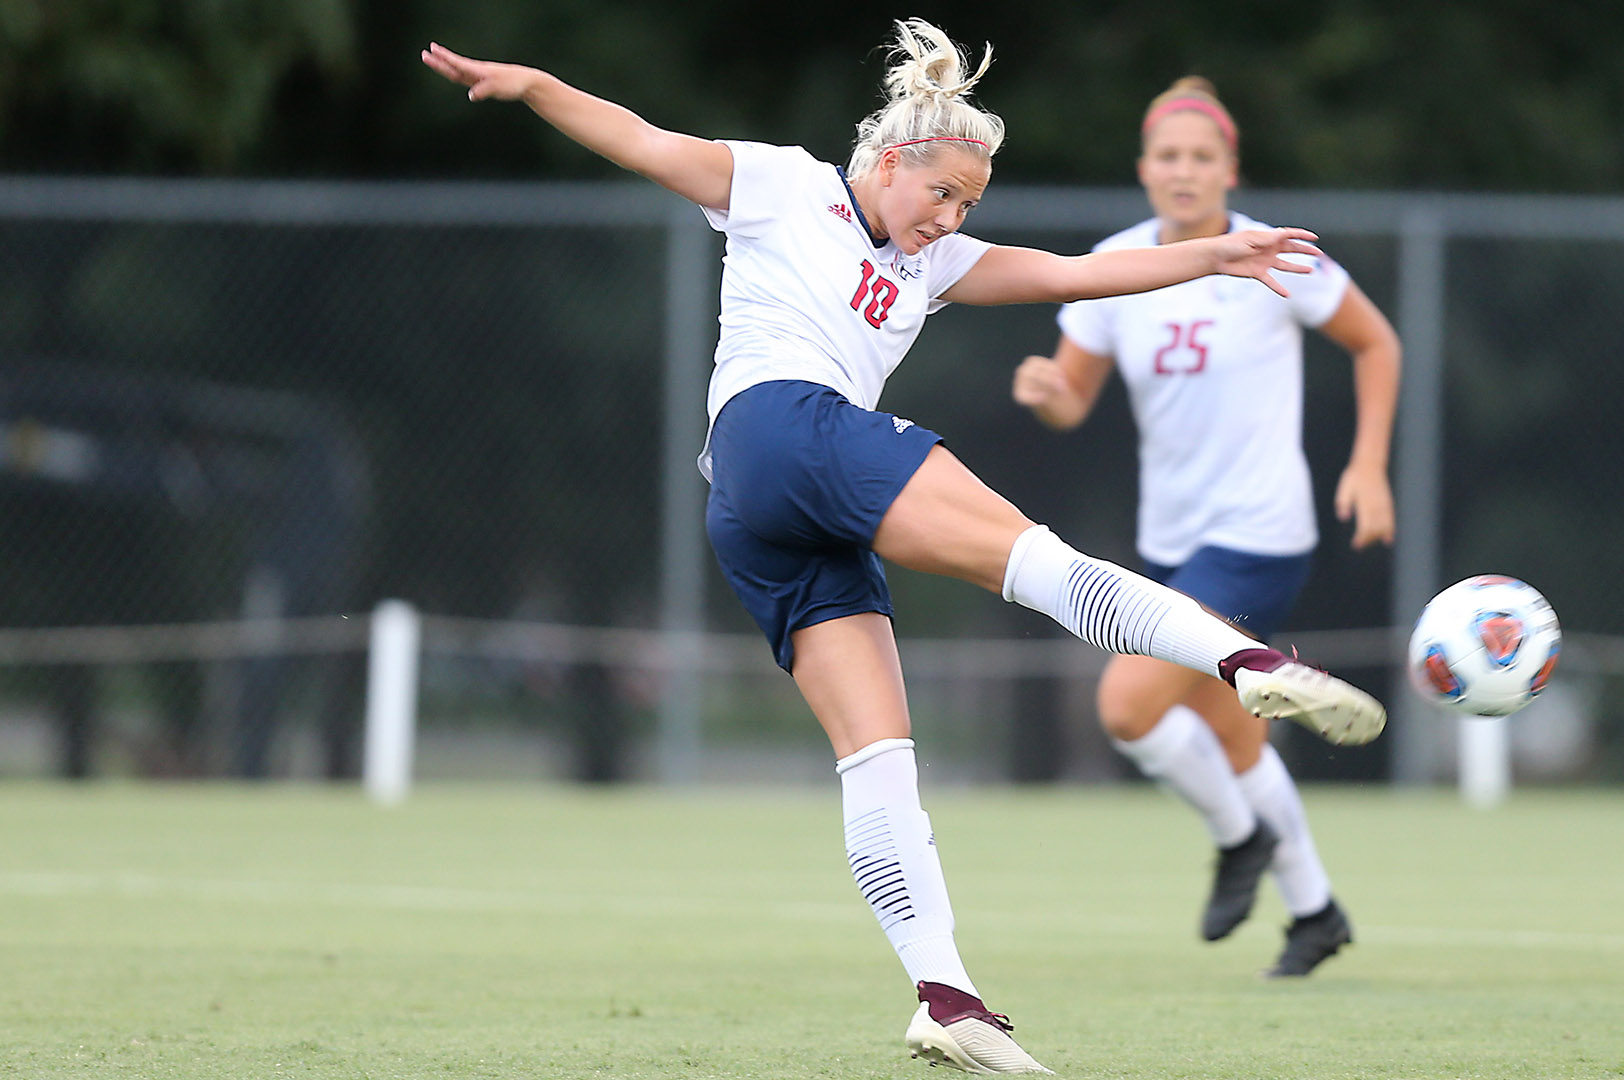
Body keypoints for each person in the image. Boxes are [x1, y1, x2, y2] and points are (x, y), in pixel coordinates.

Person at [424, 25, 1383, 1074]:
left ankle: (944, 995)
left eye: (970, 205)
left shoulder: (936, 261)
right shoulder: (784, 186)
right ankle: (1248, 664)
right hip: (784, 425)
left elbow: (1070, 277)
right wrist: (534, 85)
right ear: (890, 161)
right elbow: (644, 139)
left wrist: (1215, 253)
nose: (952, 220)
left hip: (755, 511)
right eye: (942, 195)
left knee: (880, 759)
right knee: (1041, 563)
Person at [1011, 76, 1401, 979]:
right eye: (1168, 156)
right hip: (1173, 539)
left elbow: (1377, 342)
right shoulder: (1116, 264)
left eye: (1202, 157)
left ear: (1231, 169)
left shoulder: (1269, 253)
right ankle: (1317, 914)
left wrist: (1369, 464)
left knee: (1128, 705)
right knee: (1231, 730)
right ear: (1145, 170)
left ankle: (1238, 840)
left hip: (1259, 536)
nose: (1184, 172)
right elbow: (1074, 398)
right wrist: (1049, 394)